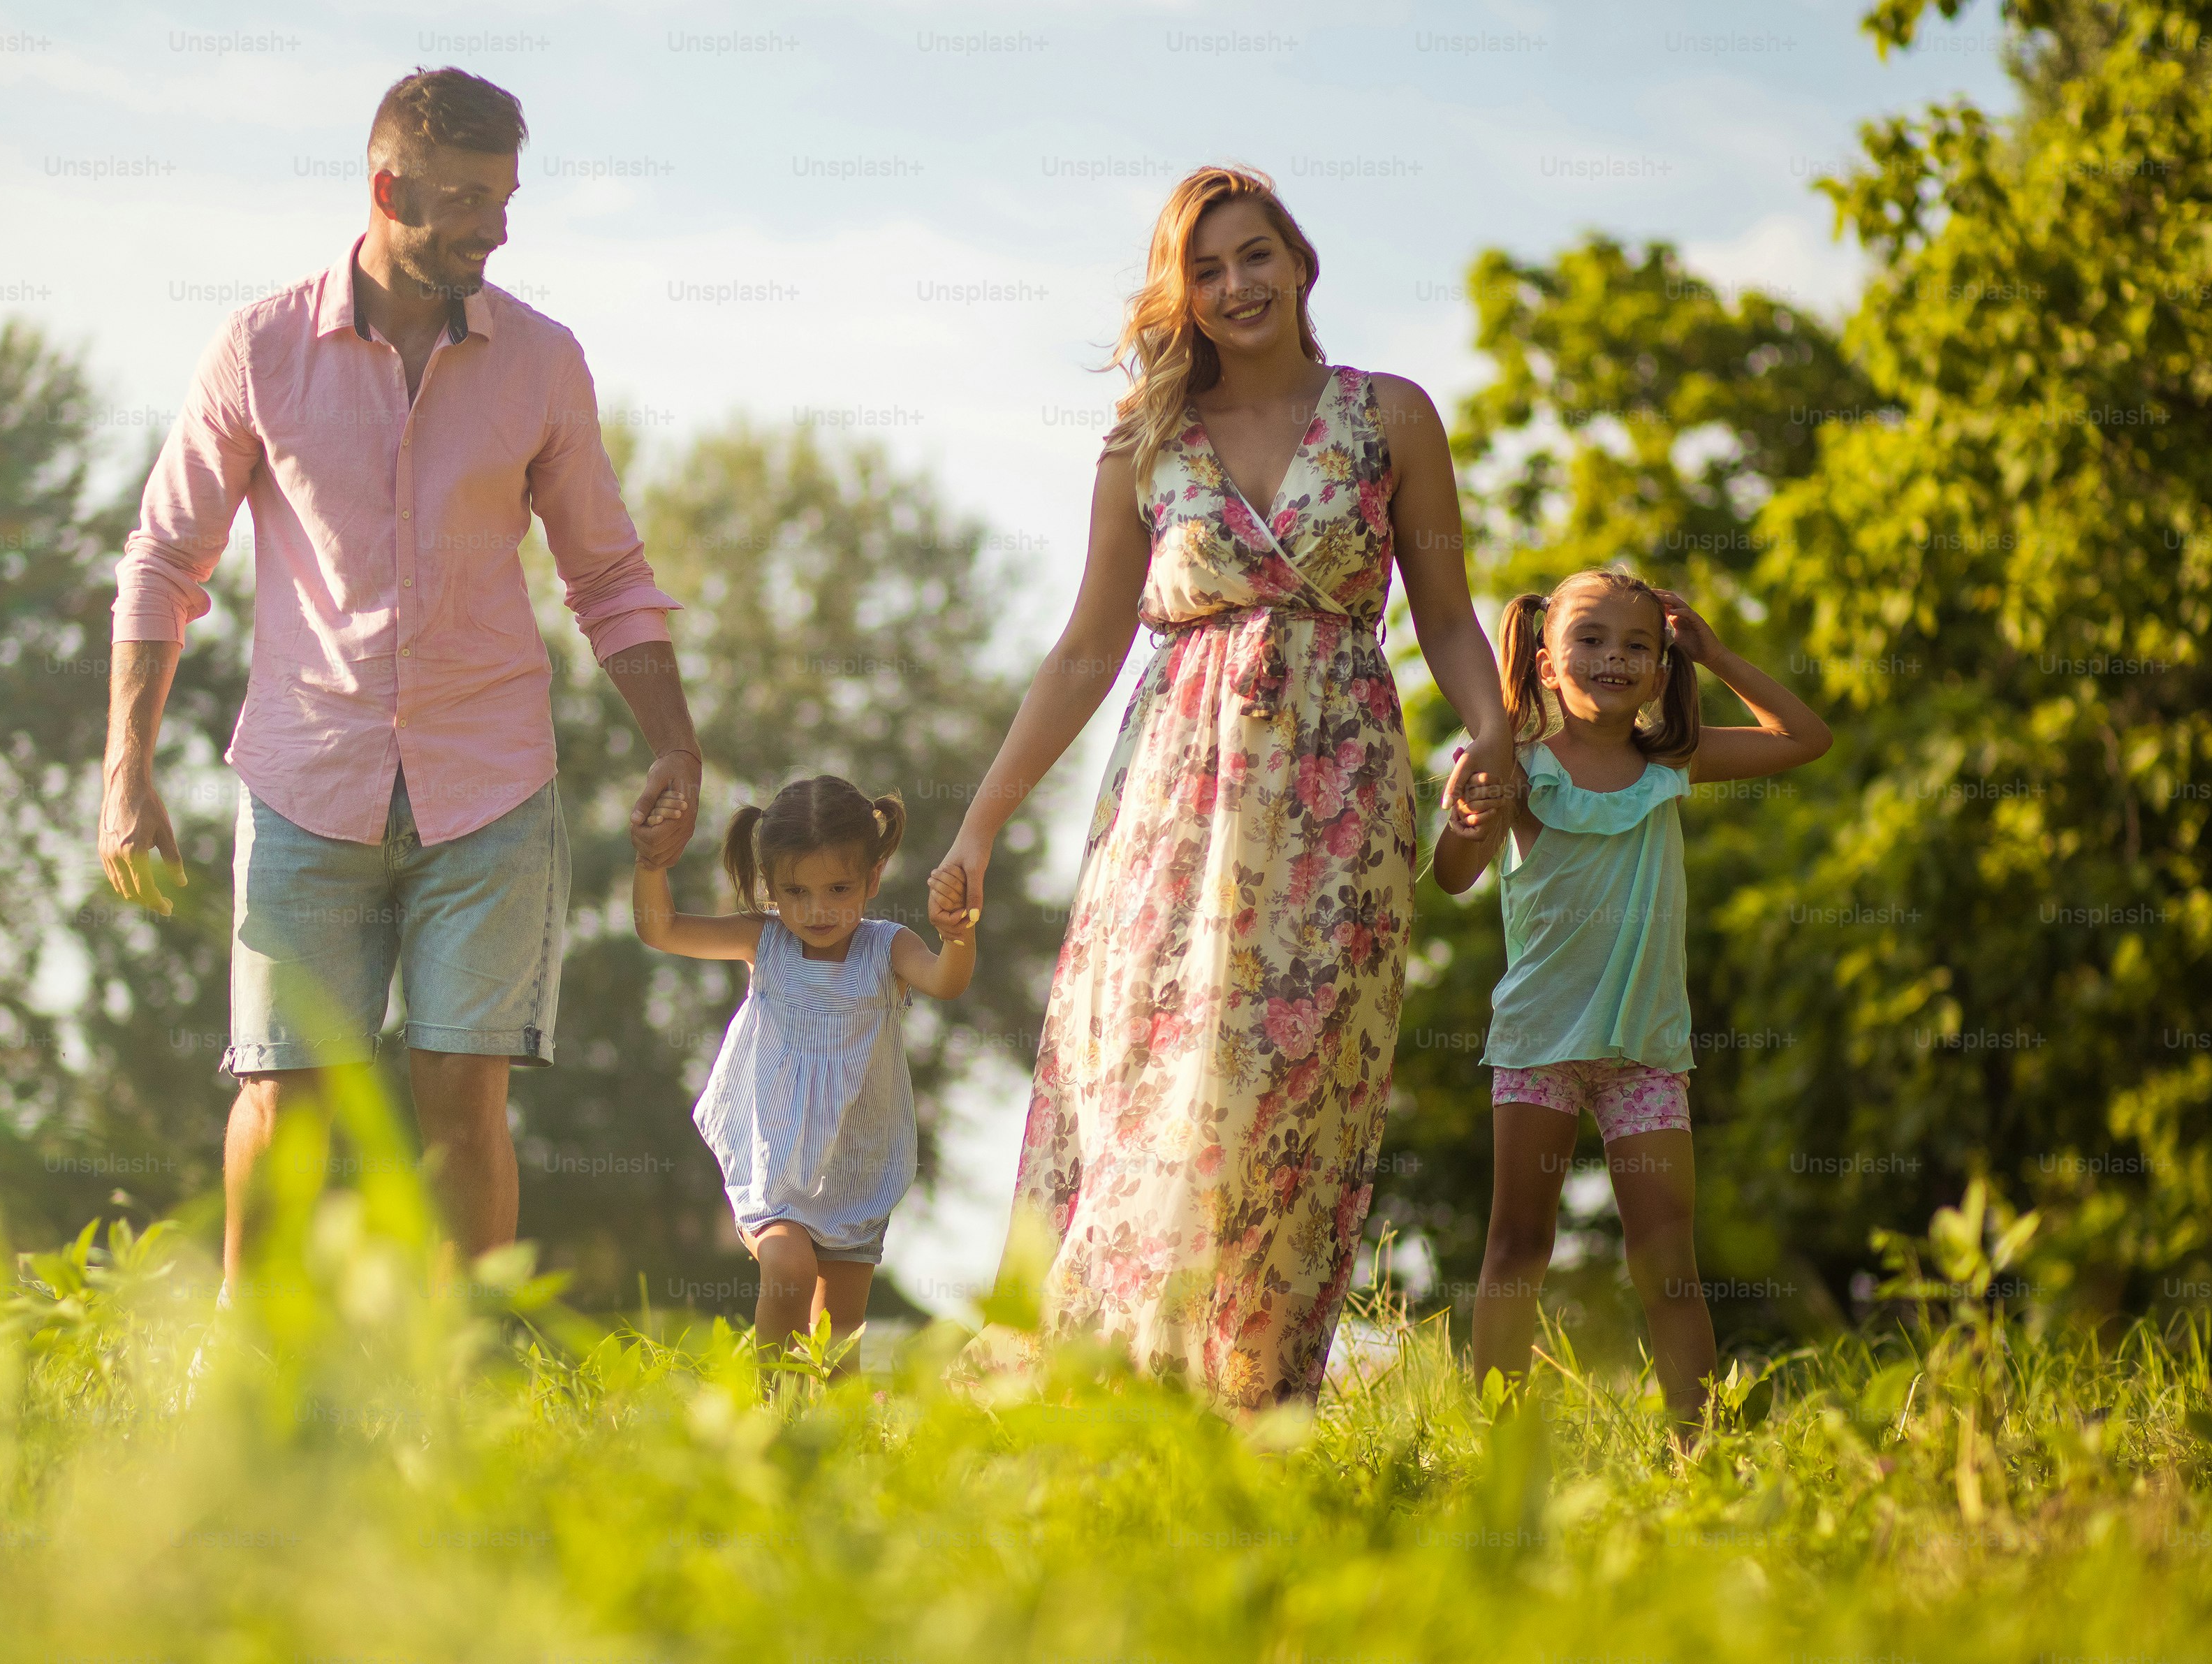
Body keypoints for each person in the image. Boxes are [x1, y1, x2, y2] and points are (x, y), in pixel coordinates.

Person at [96, 68, 701, 1289]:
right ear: (389, 189)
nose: (497, 225)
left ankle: (451, 1393)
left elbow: (609, 572)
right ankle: (249, 1391)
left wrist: (673, 744)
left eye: (505, 198)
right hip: (305, 784)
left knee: (459, 1109)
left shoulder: (540, 362)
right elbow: (165, 558)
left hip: (489, 793)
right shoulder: (261, 350)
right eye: (470, 199)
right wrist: (126, 769)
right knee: (283, 1101)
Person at [929, 165, 1519, 1409]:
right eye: (1205, 269)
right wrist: (982, 824)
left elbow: (1452, 621)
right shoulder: (1144, 444)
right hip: (1170, 805)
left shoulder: (1390, 416)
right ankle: (1100, 1400)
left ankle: (1257, 1412)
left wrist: (1491, 739)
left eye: (1256, 256)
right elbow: (1086, 649)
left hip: (1336, 799)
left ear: (1300, 262)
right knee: (1146, 1084)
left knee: (1290, 1102)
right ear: (1179, 296)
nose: (1237, 284)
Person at [1433, 570, 1830, 1433]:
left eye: (1638, 645)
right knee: (1516, 1248)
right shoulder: (1517, 767)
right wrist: (1468, 818)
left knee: (1668, 1265)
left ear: (1660, 670)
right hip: (1540, 1044)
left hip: (1647, 1053)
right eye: (1592, 640)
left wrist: (1718, 654)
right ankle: (1501, 1446)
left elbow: (1805, 737)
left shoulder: (1672, 763)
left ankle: (1700, 1452)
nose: (1614, 658)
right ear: (1545, 661)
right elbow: (1455, 879)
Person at [631, 775, 976, 1359]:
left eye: (838, 888)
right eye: (795, 892)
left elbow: (945, 980)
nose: (817, 910)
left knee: (835, 1350)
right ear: (770, 888)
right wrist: (649, 862)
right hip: (777, 1169)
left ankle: (827, 1442)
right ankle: (769, 1418)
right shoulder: (764, 942)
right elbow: (659, 928)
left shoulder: (885, 948)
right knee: (787, 1267)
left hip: (854, 1171)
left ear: (872, 879)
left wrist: (956, 936)